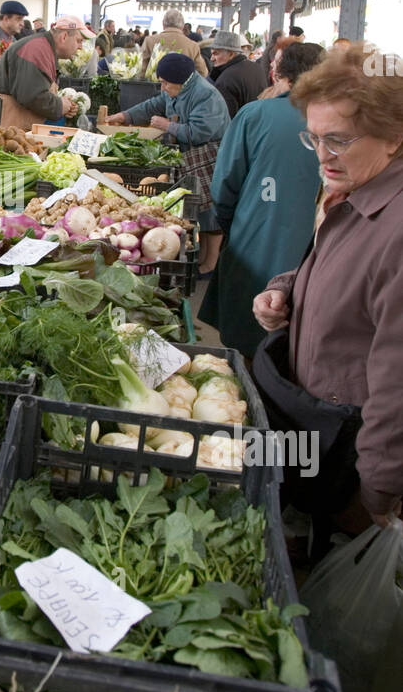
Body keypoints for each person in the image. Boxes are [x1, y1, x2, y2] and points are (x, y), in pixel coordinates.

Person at [251, 45, 403, 541]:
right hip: (317, 427)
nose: (322, 155)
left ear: (395, 135)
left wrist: (375, 499)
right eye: (313, 138)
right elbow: (344, 272)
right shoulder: (355, 190)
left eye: (337, 139)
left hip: (354, 459)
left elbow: (396, 386)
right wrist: (286, 291)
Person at [199, 43, 325, 356]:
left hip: (257, 240)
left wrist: (236, 224)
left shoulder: (255, 114)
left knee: (249, 339)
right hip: (318, 254)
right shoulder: (339, 119)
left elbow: (225, 185)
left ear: (277, 72)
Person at [109, 53, 230, 268]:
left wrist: (167, 126)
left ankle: (211, 263)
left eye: (165, 82)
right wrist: (126, 116)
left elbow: (199, 133)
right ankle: (202, 259)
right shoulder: (179, 89)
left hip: (210, 156)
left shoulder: (206, 96)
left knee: (211, 211)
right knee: (198, 209)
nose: (163, 87)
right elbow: (153, 104)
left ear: (180, 81)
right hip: (192, 155)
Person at [0, 16, 94, 135]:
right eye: (79, 41)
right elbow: (32, 95)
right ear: (64, 36)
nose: (80, 47)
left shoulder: (43, 47)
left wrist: (65, 105)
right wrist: (60, 105)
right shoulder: (37, 50)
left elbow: (35, 88)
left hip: (5, 122)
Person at [138, 8, 208, 78]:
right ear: (182, 26)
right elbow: (202, 73)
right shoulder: (193, 46)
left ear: (163, 24)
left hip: (153, 87)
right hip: (182, 87)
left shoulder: (149, 41)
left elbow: (141, 69)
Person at [209, 30, 265, 116]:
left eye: (216, 53)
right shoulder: (257, 68)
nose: (211, 59)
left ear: (231, 54)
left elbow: (226, 118)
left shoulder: (226, 80)